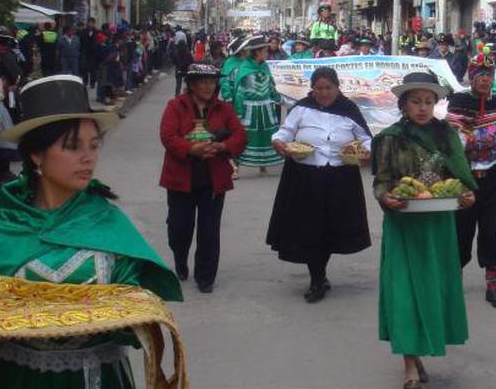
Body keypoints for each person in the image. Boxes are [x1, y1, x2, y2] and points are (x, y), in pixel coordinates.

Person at [0, 74, 183, 389]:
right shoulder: (7, 223)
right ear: (36, 154)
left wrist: (138, 312)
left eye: (94, 146)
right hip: (21, 385)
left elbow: (135, 297)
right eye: (72, 146)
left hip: (96, 382)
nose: (88, 157)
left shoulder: (107, 222)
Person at [371, 71, 477, 389]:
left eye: (428, 102)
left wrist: (465, 196)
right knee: (405, 292)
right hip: (404, 225)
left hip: (439, 226)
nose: (422, 107)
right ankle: (410, 372)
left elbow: (461, 178)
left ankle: (418, 352)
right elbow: (382, 182)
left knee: (432, 289)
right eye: (415, 101)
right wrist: (386, 198)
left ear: (437, 104)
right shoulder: (390, 138)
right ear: (403, 104)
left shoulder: (447, 135)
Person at [267, 67, 373, 302]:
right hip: (305, 176)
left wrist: (366, 151)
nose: (324, 93)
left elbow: (366, 138)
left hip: (340, 176)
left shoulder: (349, 110)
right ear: (312, 89)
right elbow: (285, 132)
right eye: (319, 88)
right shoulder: (302, 109)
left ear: (337, 88)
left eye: (328, 88)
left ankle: (320, 273)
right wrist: (279, 143)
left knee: (330, 228)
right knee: (309, 228)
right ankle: (317, 278)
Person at [159, 64, 246, 293]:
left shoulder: (224, 109)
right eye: (203, 82)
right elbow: (168, 136)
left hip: (213, 178)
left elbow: (239, 135)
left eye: (212, 82)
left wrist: (223, 146)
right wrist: (191, 149)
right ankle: (180, 258)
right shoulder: (175, 106)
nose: (208, 87)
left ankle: (205, 277)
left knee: (209, 230)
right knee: (179, 228)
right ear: (192, 84)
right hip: (180, 178)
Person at [446, 56, 496, 309]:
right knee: (460, 232)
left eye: (489, 75)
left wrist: (487, 145)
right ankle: (452, 283)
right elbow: (455, 143)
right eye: (481, 75)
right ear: (472, 77)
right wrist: (477, 144)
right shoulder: (459, 102)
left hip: (493, 179)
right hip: (464, 179)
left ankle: (493, 286)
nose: (486, 80)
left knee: (491, 231)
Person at [231, 35, 284, 173]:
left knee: (267, 136)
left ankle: (263, 165)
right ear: (257, 52)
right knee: (244, 137)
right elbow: (239, 93)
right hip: (249, 109)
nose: (267, 53)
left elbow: (271, 87)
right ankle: (236, 167)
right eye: (265, 51)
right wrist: (238, 111)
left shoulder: (265, 67)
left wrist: (280, 99)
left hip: (266, 108)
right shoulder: (244, 69)